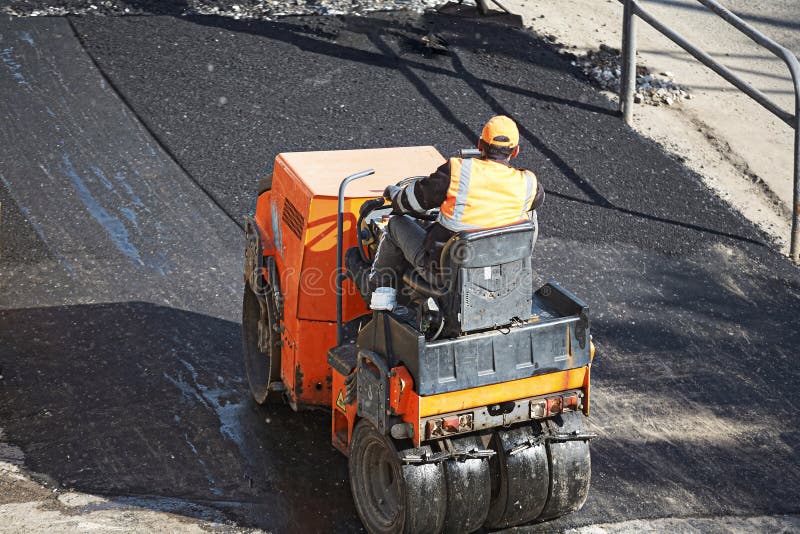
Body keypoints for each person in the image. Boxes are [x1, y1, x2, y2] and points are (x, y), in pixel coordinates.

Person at [347, 115, 544, 298]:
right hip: (501, 272)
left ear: (479, 145)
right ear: (515, 151)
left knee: (396, 224)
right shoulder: (529, 184)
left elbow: (409, 203)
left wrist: (395, 195)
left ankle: (374, 287)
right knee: (530, 215)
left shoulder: (457, 171)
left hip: (445, 275)